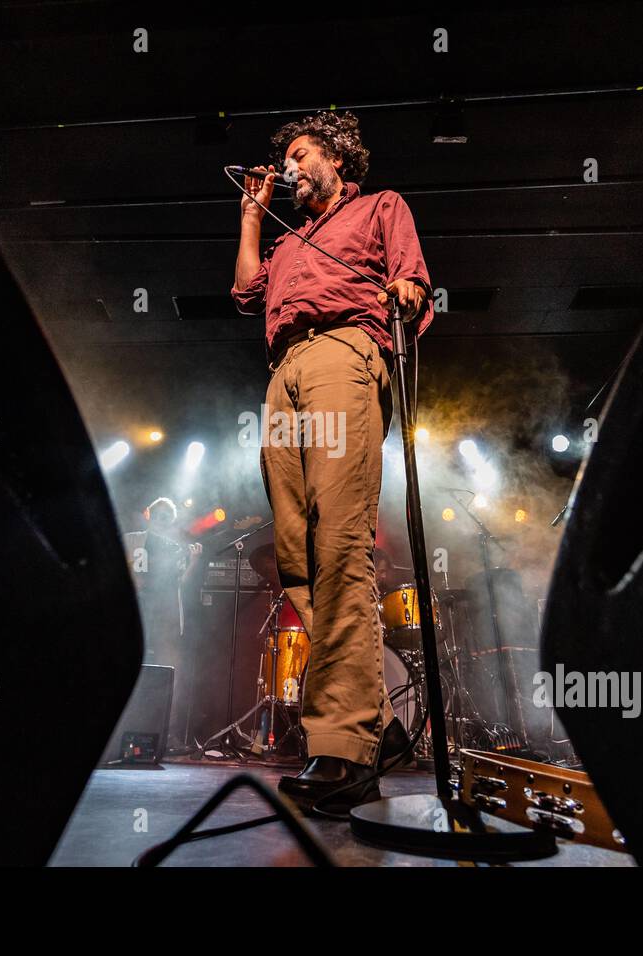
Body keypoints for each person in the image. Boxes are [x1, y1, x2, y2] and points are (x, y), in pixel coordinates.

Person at [230, 110, 435, 812]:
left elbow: (411, 277)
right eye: (284, 156)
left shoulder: (380, 206)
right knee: (296, 553)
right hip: (284, 369)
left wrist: (407, 291)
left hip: (346, 353)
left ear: (336, 158)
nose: (289, 165)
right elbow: (244, 291)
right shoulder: (288, 237)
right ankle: (353, 722)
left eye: (300, 153)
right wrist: (253, 217)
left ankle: (345, 743)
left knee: (340, 544)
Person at [123, 497, 201, 750]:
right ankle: (127, 731)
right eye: (159, 515)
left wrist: (194, 562)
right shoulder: (135, 538)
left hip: (166, 618)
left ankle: (168, 737)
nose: (163, 520)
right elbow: (135, 575)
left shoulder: (176, 548)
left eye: (168, 516)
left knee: (172, 676)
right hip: (141, 617)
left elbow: (179, 584)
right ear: (150, 516)